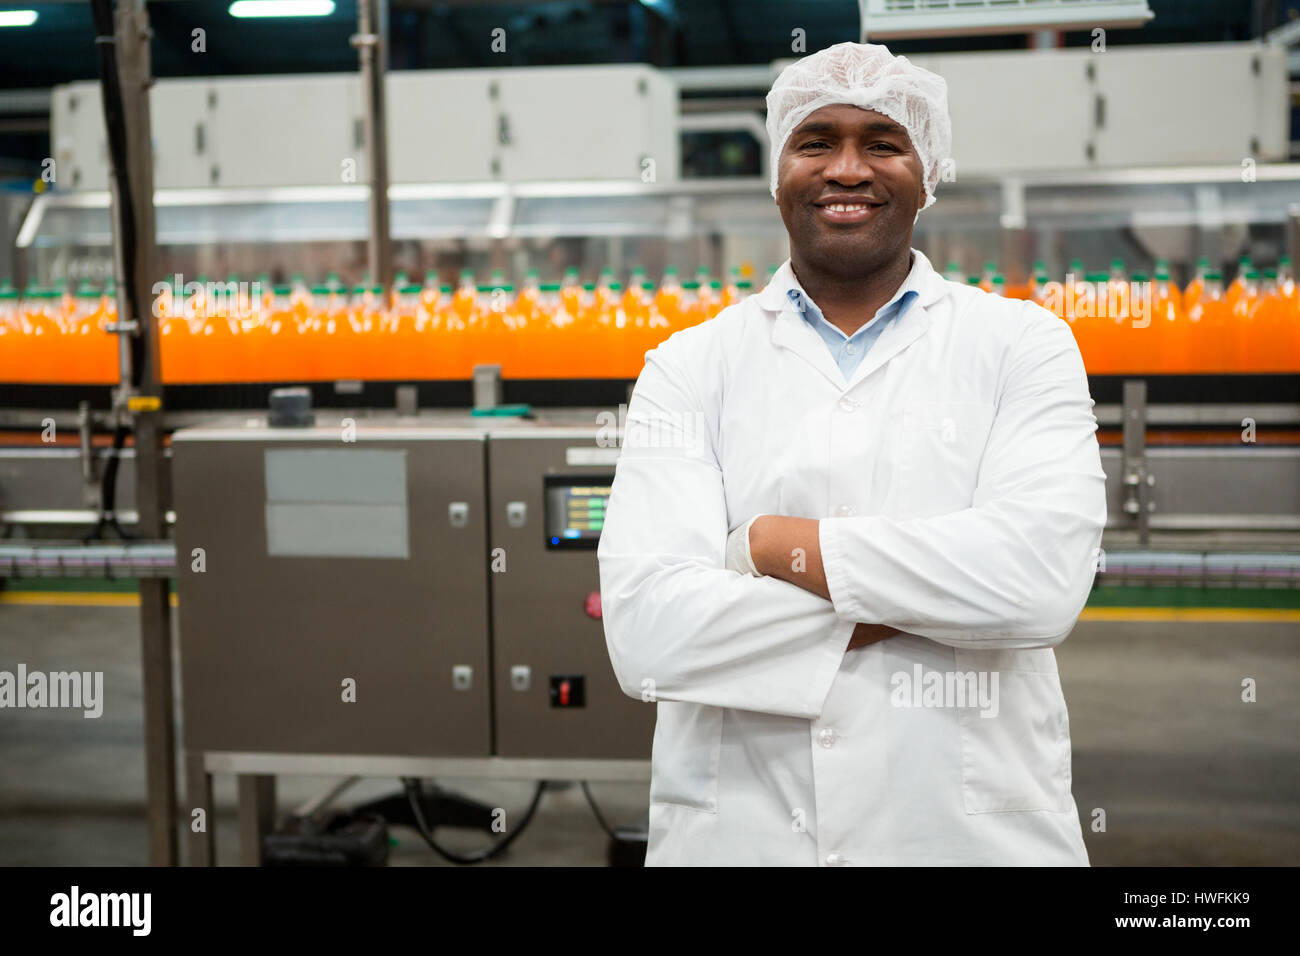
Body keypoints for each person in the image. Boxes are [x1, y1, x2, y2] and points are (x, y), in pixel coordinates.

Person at [596, 41, 1107, 866]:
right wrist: (930, 600)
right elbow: (651, 636)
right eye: (815, 141)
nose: (846, 169)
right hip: (744, 834)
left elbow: (1038, 584)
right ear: (778, 169)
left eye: (882, 141)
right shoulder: (690, 366)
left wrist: (765, 546)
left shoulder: (1021, 344)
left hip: (966, 833)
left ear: (927, 169)